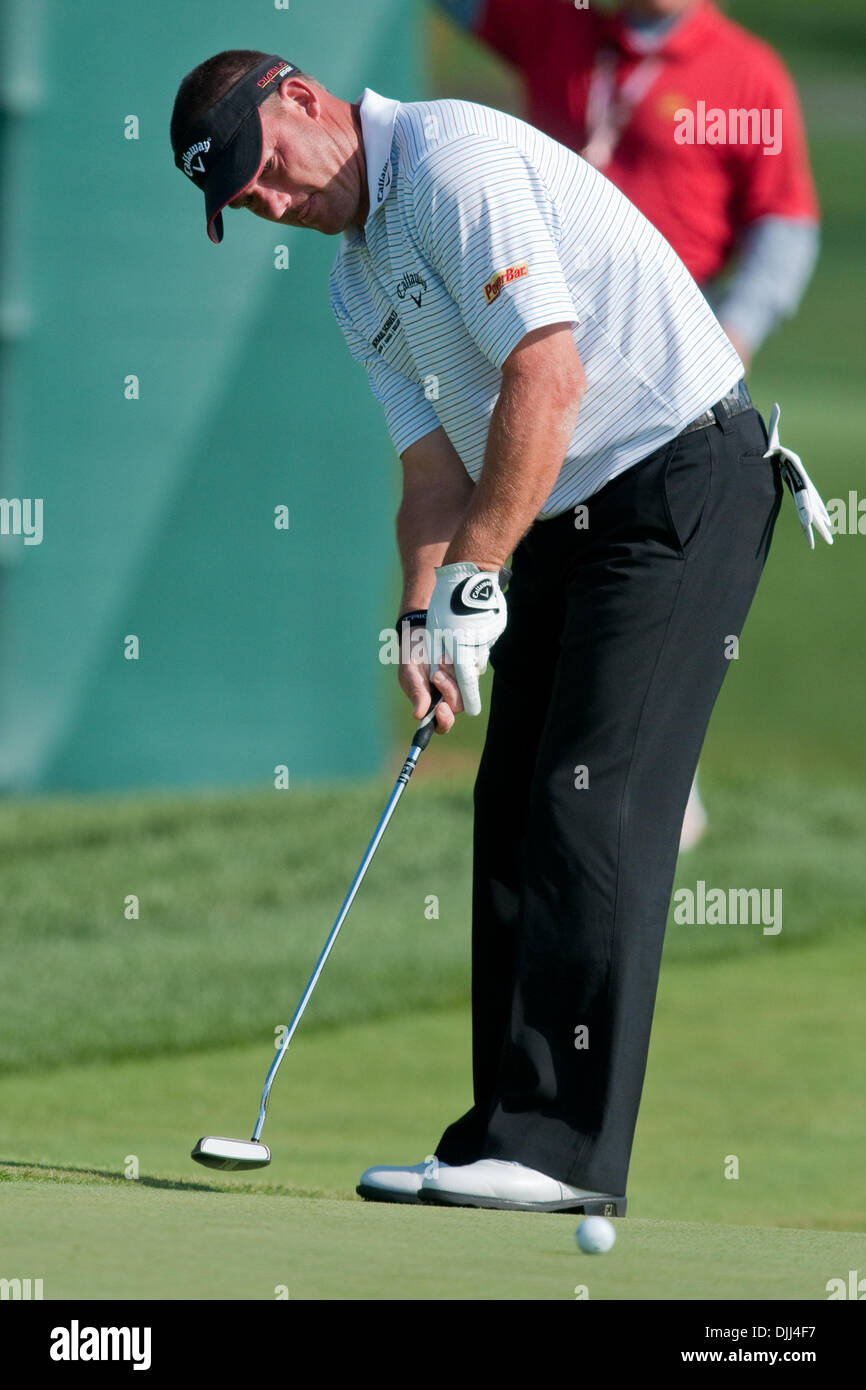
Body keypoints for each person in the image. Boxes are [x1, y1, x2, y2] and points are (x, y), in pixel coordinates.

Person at [170, 52, 829, 1213]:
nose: (273, 203)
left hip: (679, 483)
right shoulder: (353, 283)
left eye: (266, 169)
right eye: (246, 203)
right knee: (514, 799)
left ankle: (566, 1150)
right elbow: (430, 473)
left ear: (303, 100)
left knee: (591, 800)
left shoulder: (451, 160)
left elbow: (546, 373)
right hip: (564, 513)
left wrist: (479, 570)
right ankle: (500, 1134)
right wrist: (427, 617)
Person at [433, 0, 821, 848]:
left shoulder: (744, 70)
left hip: (659, 381)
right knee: (542, 587)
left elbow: (785, 225)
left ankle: (642, 778)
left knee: (643, 599)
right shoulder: (556, 24)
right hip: (536, 356)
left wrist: (739, 329)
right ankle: (574, 774)